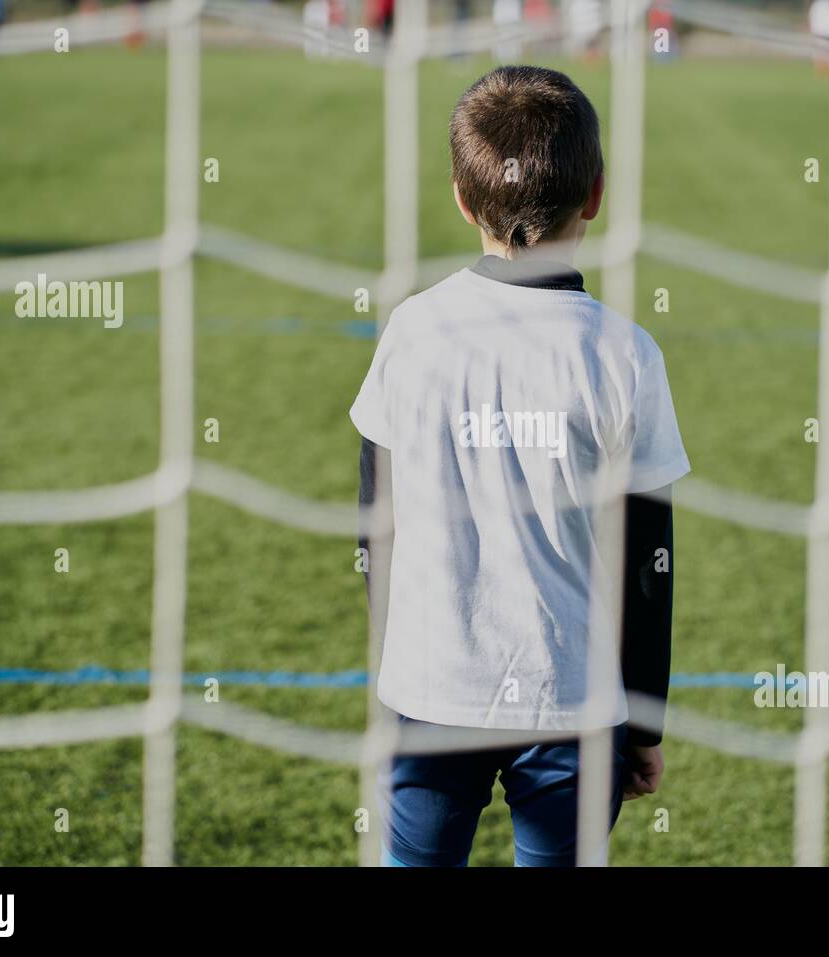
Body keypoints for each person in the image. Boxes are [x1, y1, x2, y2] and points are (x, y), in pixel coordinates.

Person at [351, 66, 690, 867]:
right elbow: (650, 563)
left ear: (462, 199)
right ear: (597, 193)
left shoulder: (412, 330)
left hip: (427, 698)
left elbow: (376, 527)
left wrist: (396, 672)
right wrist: (643, 725)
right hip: (572, 705)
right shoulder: (624, 355)